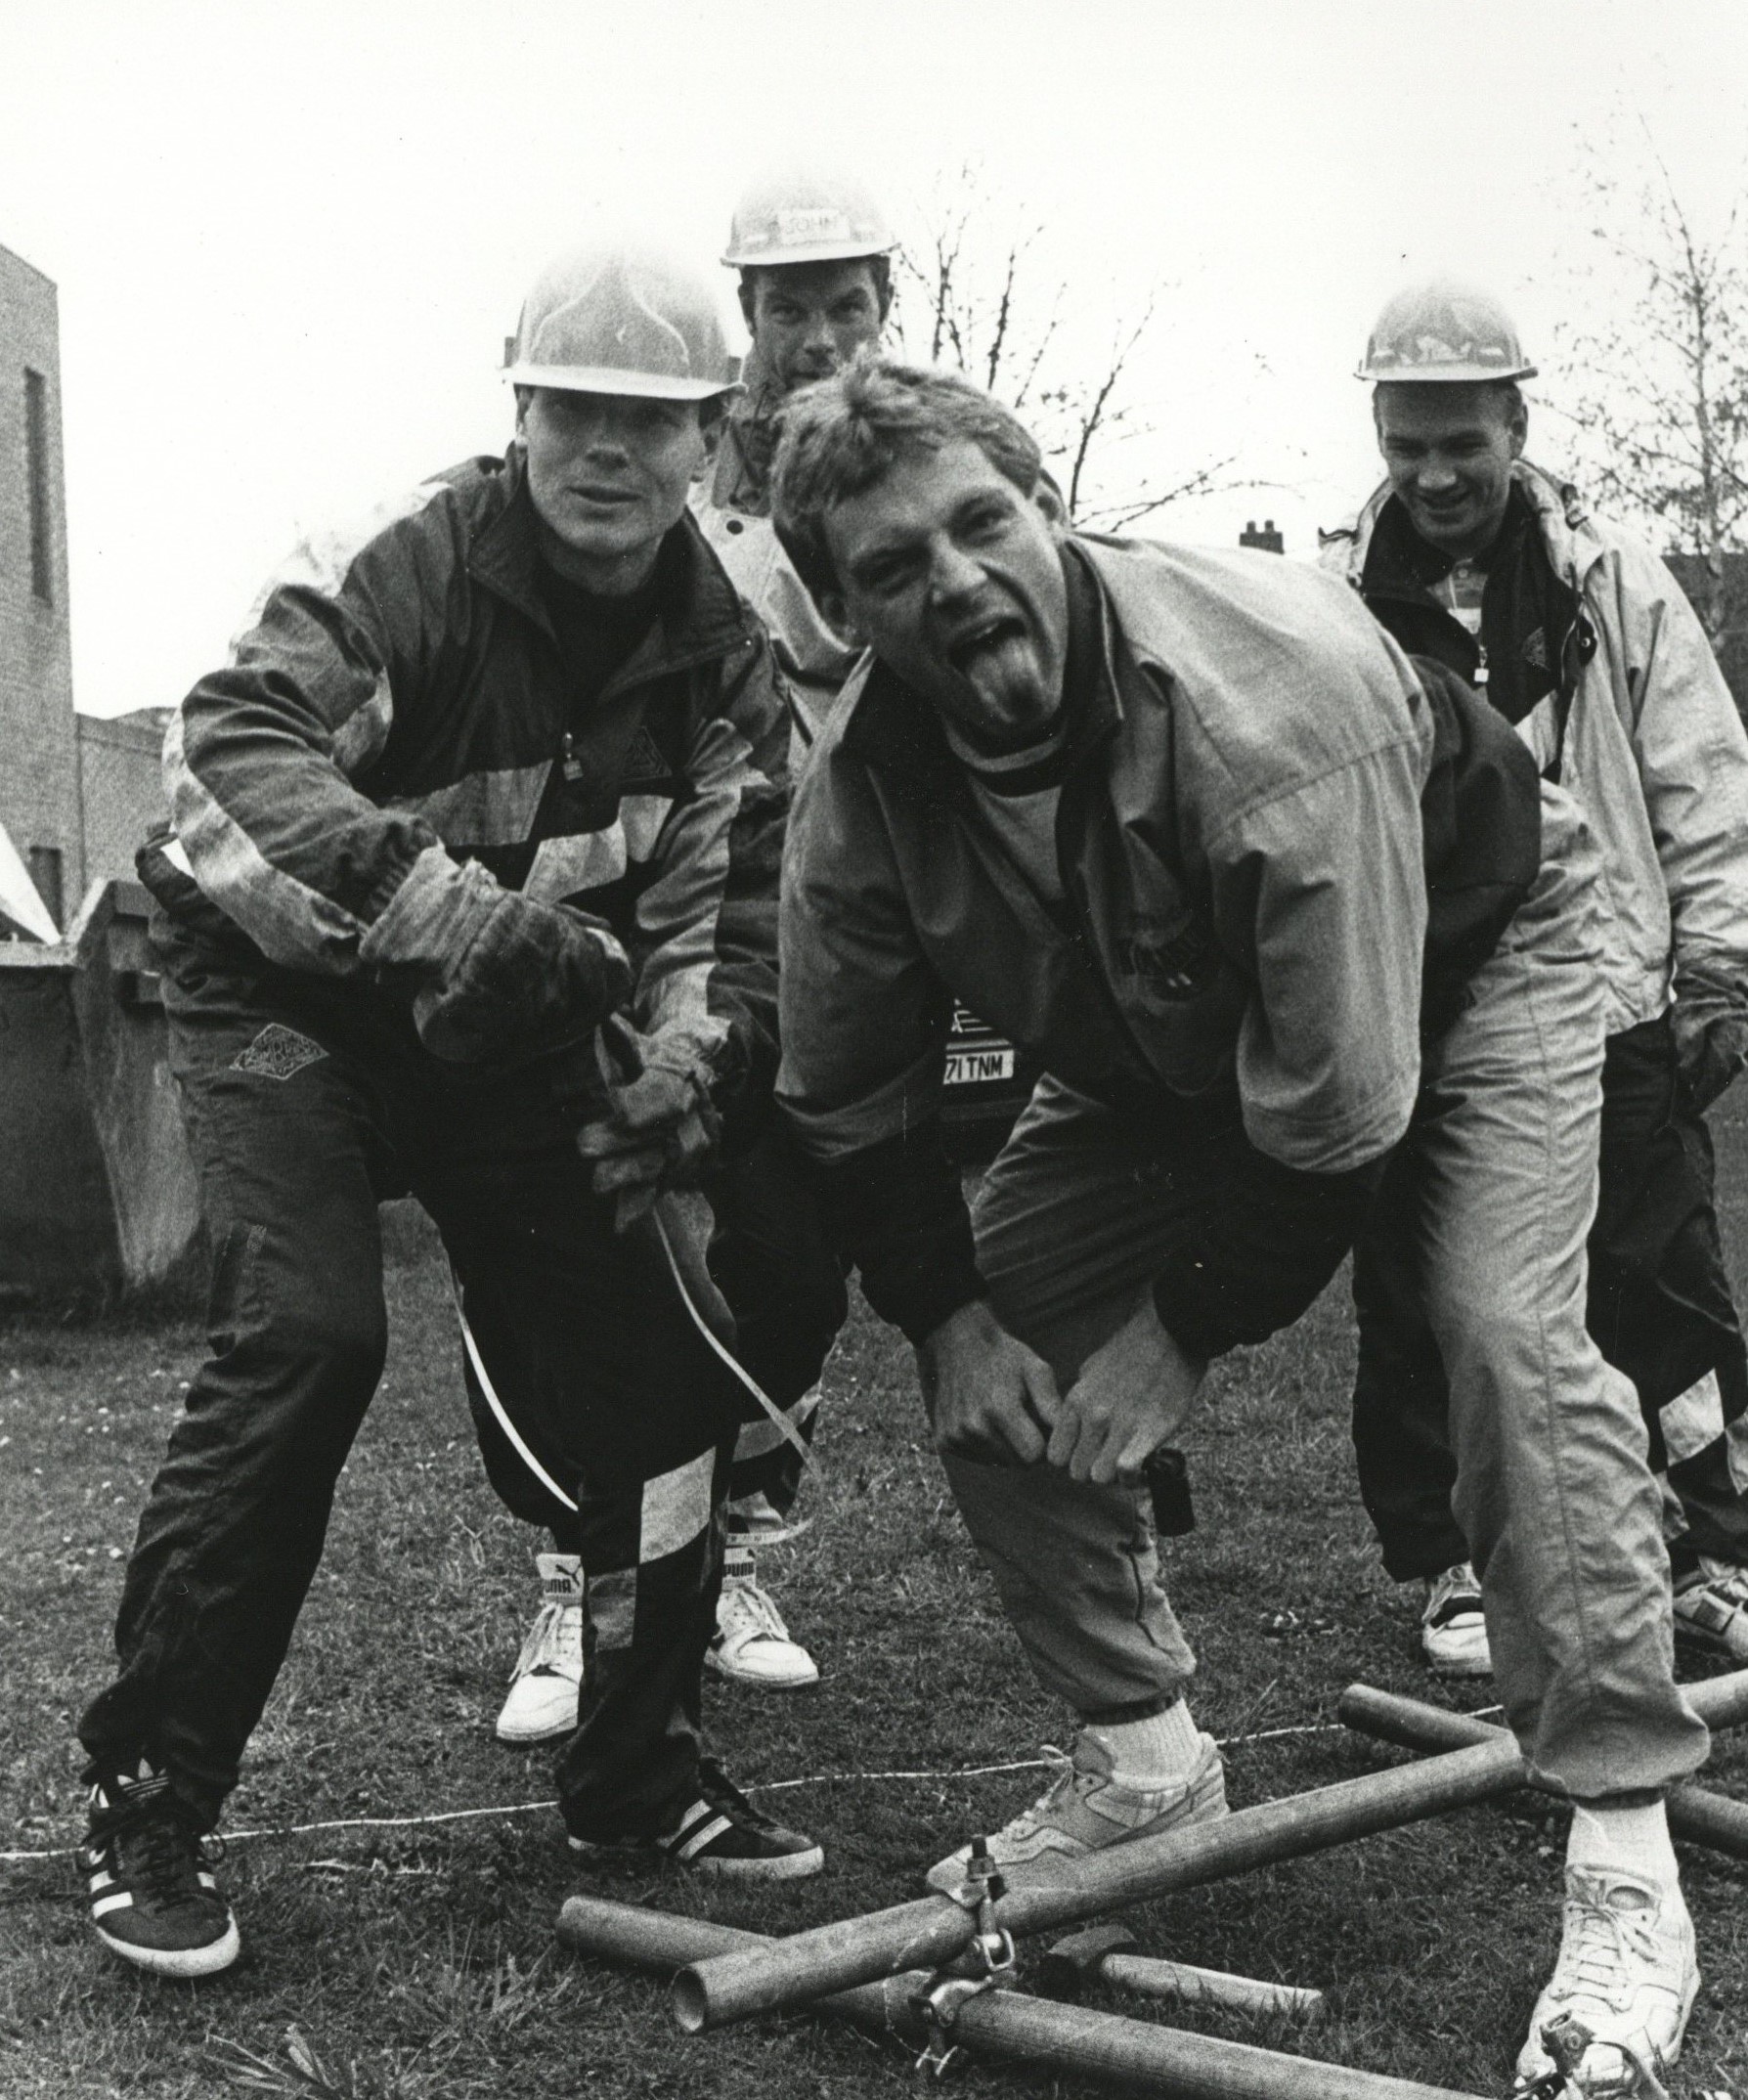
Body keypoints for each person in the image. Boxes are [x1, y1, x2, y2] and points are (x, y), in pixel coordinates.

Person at [770, 358, 1711, 2091]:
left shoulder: (1271, 703)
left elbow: (1345, 1100)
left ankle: (1626, 1841)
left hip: (1470, 956)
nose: (957, 582)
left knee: (1501, 1333)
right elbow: (845, 1098)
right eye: (893, 569)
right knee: (1006, 1318)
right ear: (843, 611)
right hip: (1177, 1022)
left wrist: (1185, 1323)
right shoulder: (859, 797)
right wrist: (952, 1316)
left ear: (1047, 508)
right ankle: (1143, 1763)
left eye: (982, 525)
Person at [73, 241, 844, 1983]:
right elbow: (225, 758)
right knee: (312, 1336)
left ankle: (634, 1774)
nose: (608, 455)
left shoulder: (727, 657)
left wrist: (688, 1069)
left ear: (714, 443)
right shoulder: (398, 560)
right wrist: (439, 911)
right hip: (280, 993)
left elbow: (727, 913)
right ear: (519, 414)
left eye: (651, 425)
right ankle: (150, 1799)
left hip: (500, 1029)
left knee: (661, 1354)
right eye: (575, 411)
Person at [493, 174, 892, 1732]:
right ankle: (568, 1581)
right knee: (602, 1240)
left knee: (799, 1252)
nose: (814, 336)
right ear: (746, 330)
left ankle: (736, 1547)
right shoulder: (678, 497)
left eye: (840, 303)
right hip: (666, 916)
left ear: (884, 306)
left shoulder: (919, 477)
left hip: (841, 936)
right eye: (784, 307)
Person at [1323, 281, 1748, 1681]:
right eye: (1409, 446)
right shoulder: (1333, 599)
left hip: (1612, 994)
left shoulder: (1608, 581)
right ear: (1379, 436)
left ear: (1516, 421)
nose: (1438, 475)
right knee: (1429, 1287)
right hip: (1425, 1002)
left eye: (1464, 441)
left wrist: (1721, 968)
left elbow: (1700, 778)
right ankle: (1459, 1563)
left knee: (1658, 1280)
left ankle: (1705, 1548)